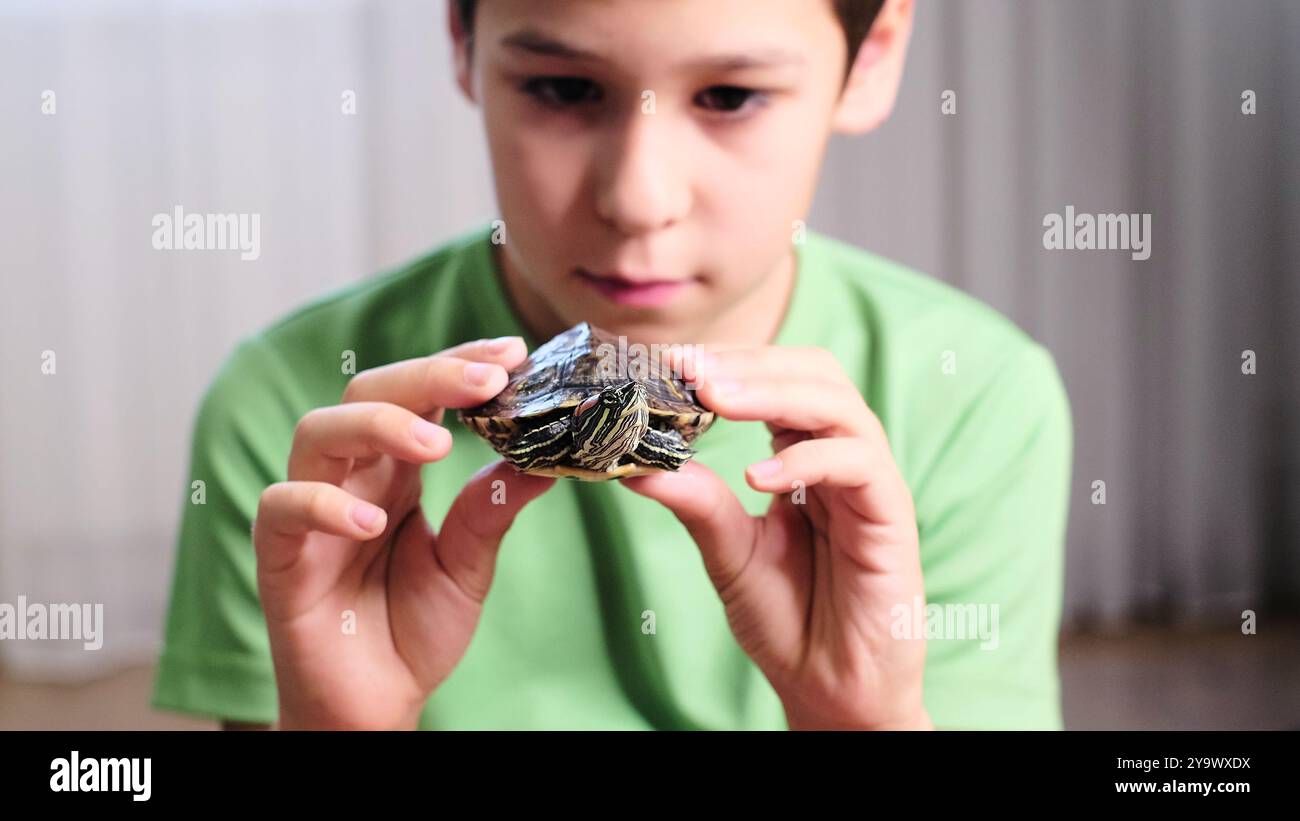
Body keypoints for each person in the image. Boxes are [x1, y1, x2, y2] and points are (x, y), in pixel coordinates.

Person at [153, 0, 1073, 730]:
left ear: (869, 58)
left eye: (728, 97)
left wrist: (860, 723)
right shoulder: (304, 420)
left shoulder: (976, 397)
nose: (639, 199)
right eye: (561, 88)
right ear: (464, 45)